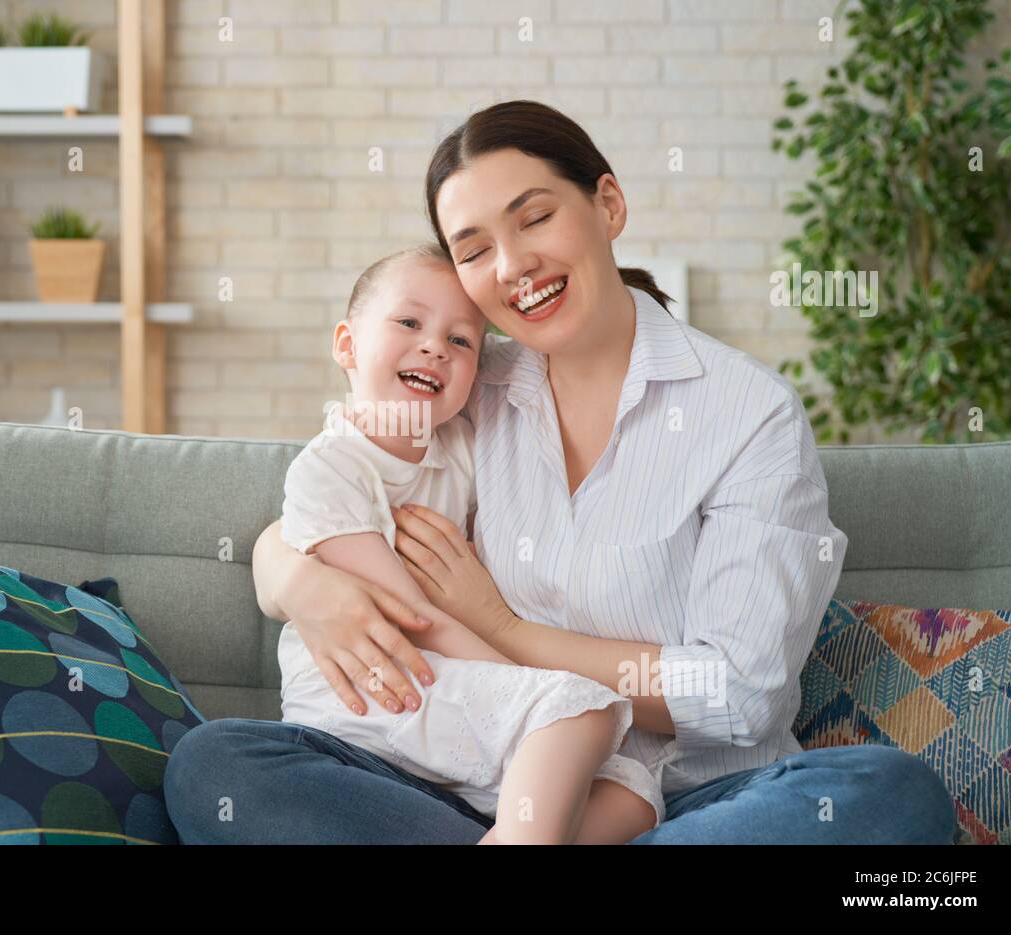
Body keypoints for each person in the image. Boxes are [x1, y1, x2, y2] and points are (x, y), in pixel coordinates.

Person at [163, 100, 959, 845]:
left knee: (888, 796)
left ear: (607, 205)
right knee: (217, 767)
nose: (512, 265)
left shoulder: (747, 413)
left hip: (686, 802)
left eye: (535, 217)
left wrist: (511, 633)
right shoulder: (467, 385)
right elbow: (333, 493)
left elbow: (737, 692)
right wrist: (297, 581)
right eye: (474, 249)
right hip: (459, 784)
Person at [276, 241, 663, 844]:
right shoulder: (331, 469)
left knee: (635, 793)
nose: (435, 346)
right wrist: (524, 686)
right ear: (347, 344)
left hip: (446, 686)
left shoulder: (460, 444)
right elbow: (414, 619)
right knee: (580, 712)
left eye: (461, 341)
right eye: (409, 323)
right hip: (367, 687)